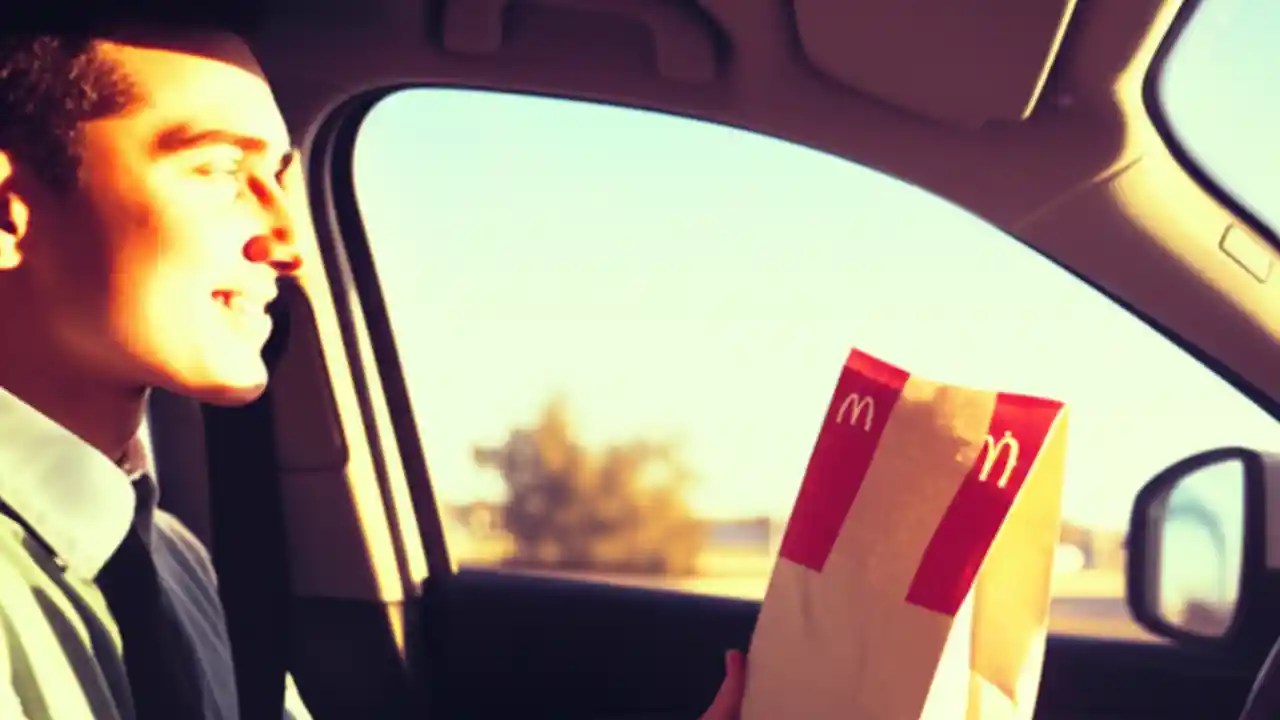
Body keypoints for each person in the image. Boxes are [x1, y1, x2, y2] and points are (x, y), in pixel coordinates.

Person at [0, 9, 746, 720]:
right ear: (7, 212)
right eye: (222, 170)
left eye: (280, 176)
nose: (287, 242)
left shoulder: (174, 563)